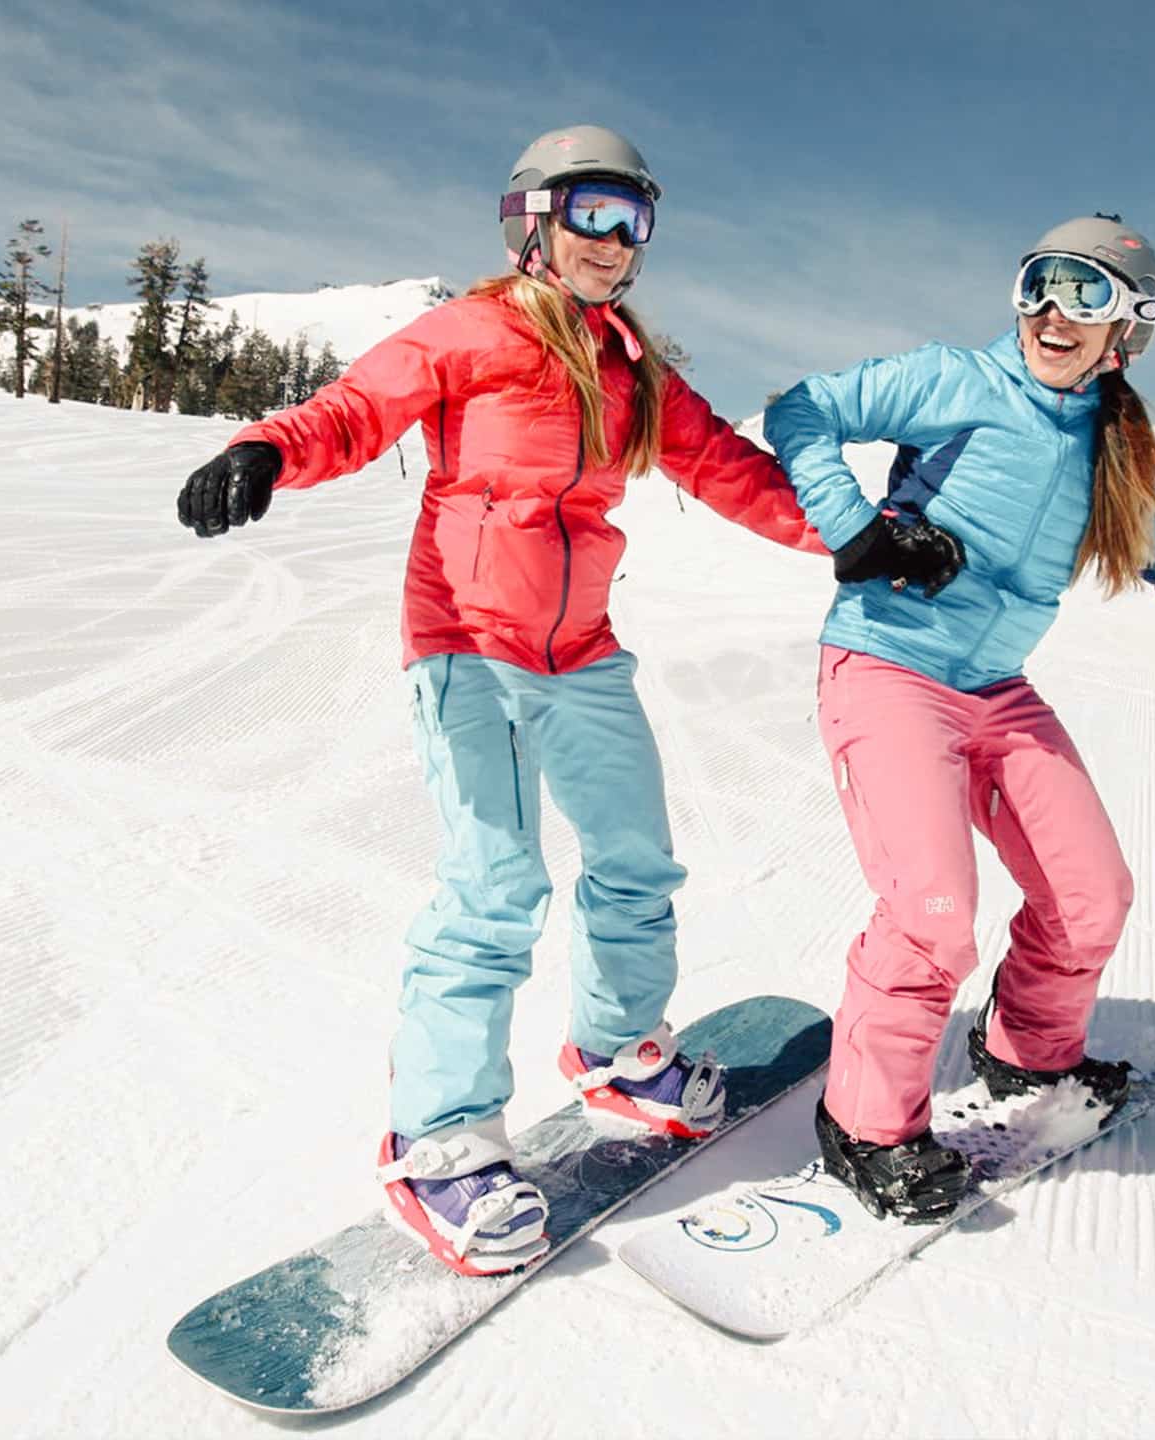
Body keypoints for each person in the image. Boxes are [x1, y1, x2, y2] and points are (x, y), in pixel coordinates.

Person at [173, 125, 824, 1274]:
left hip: (582, 647)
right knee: (495, 886)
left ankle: (620, 1053)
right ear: (532, 219)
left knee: (634, 859)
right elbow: (353, 409)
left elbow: (725, 462)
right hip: (468, 643)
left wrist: (855, 538)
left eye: (636, 220)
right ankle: (437, 1146)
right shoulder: (471, 330)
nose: (616, 243)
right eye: (593, 213)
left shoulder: (631, 369)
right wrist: (267, 451)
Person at [765, 216, 1155, 1224]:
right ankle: (866, 1124)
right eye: (1039, 283)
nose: (1051, 310)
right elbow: (802, 410)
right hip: (889, 667)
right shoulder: (956, 380)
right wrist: (856, 526)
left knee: (1092, 898)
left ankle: (1025, 1052)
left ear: (1130, 327)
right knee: (932, 913)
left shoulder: (1111, 452)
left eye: (1085, 292)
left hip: (995, 689)